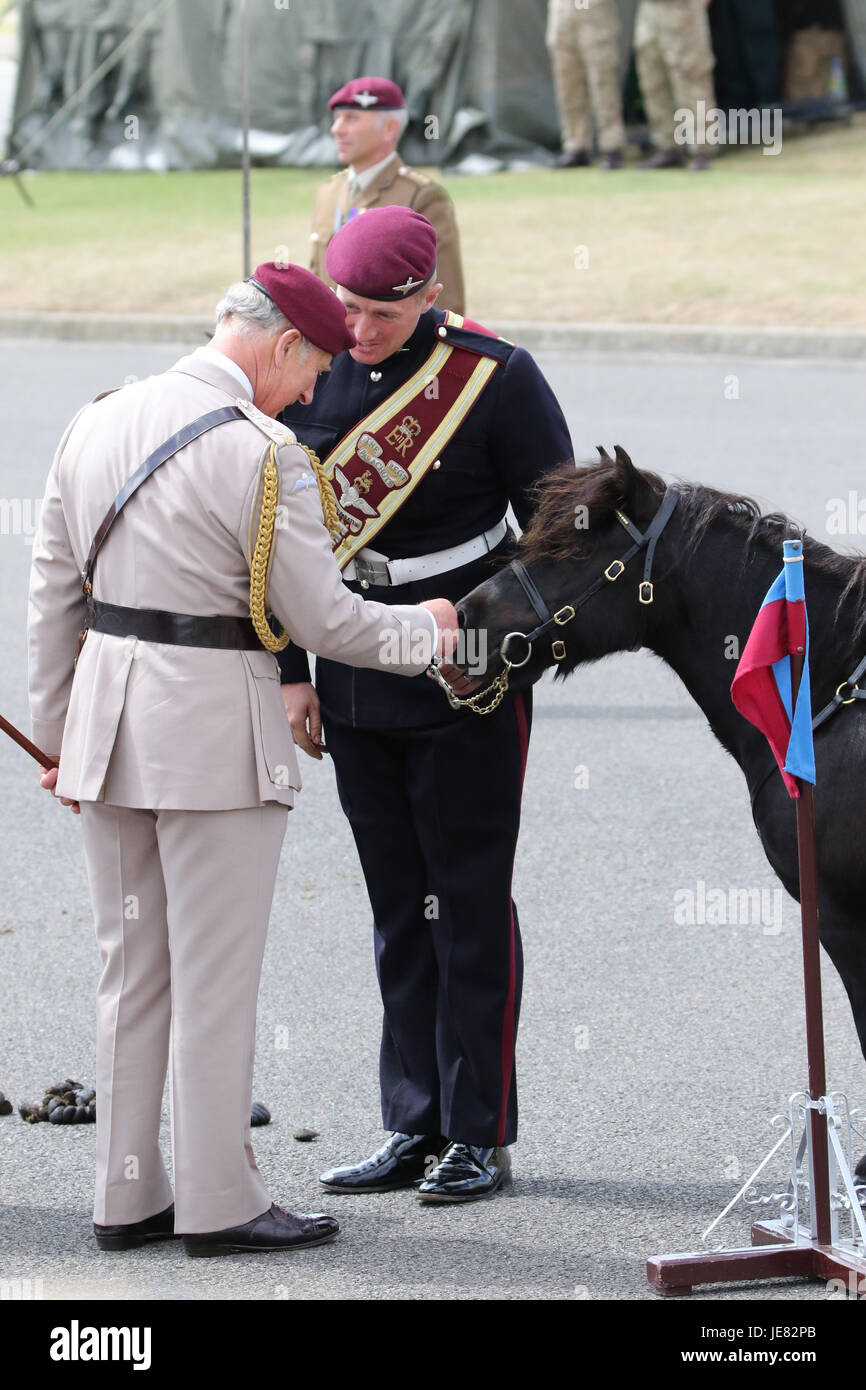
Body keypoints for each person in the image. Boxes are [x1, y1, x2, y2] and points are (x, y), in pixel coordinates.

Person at [27, 262, 459, 1256]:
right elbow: (326, 621)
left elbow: (53, 593)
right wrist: (429, 631)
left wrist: (57, 739)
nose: (312, 393)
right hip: (209, 729)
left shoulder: (96, 416)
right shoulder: (263, 453)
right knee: (214, 979)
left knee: (131, 974)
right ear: (275, 345)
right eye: (310, 369)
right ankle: (220, 1201)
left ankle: (127, 1194)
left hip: (108, 723)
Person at [278, 207, 573, 1203]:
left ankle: (477, 1129)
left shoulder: (493, 376)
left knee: (467, 902)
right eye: (346, 307)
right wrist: (288, 671)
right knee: (398, 904)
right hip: (353, 662)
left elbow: (561, 528)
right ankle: (410, 1117)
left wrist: (508, 649)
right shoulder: (310, 365)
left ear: (429, 295)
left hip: (466, 662)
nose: (355, 330)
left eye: (378, 312)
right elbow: (272, 536)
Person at [309, 75, 466, 316]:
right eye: (337, 118)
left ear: (390, 128)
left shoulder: (422, 197)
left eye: (351, 118)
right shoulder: (328, 192)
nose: (337, 129)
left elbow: (446, 298)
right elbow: (316, 280)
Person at [634, 0, 717, 171]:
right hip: (649, 10)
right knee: (653, 82)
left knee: (691, 80)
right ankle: (667, 147)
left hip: (682, 8)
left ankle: (702, 148)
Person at [546, 0, 626, 170]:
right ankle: (576, 146)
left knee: (603, 83)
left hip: (594, 10)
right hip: (562, 11)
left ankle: (611, 146)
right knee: (568, 85)